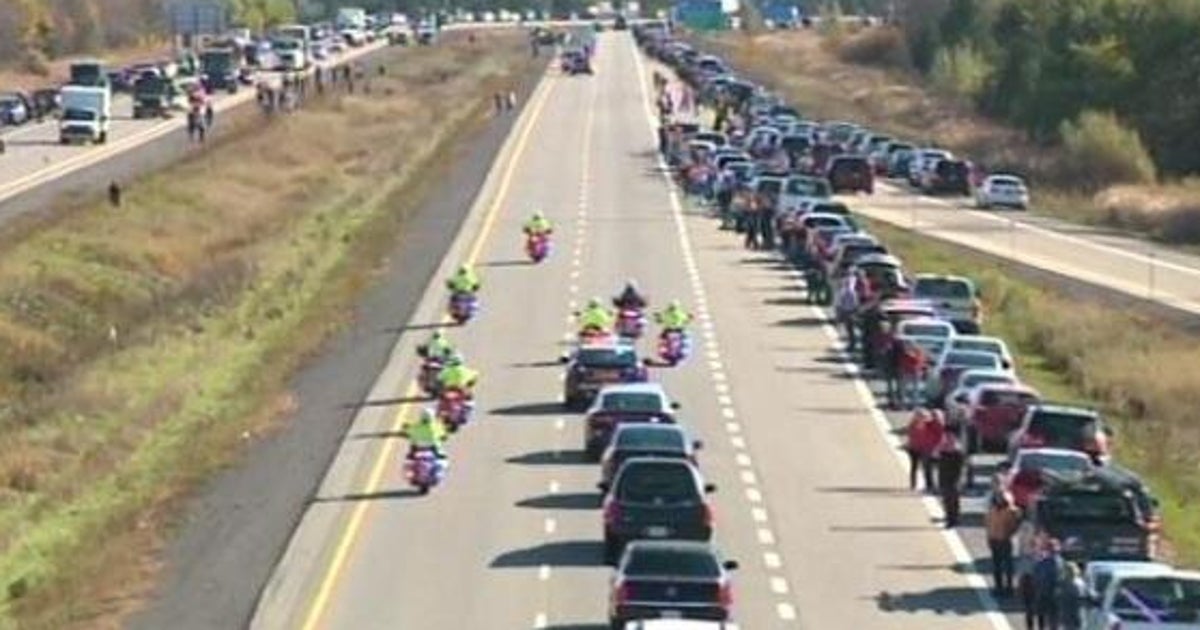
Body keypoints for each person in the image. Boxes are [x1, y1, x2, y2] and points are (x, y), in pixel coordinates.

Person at [985, 490, 1022, 597]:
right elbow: (988, 524)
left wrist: (1009, 533)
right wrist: (989, 537)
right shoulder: (992, 510)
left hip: (1004, 540)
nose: (999, 500)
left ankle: (1009, 587)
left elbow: (1016, 523)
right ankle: (998, 587)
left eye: (1002, 498)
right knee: (996, 566)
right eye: (998, 497)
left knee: (1007, 565)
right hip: (994, 539)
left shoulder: (1011, 511)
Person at [935, 421, 966, 527]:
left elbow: (962, 467)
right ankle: (950, 518)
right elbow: (935, 456)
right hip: (944, 477)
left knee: (952, 499)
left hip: (954, 478)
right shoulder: (942, 448)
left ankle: (953, 519)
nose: (947, 437)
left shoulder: (957, 450)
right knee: (947, 499)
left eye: (949, 434)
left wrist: (960, 479)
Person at [904, 408, 942, 491]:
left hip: (925, 449)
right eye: (920, 416)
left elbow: (938, 430)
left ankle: (929, 485)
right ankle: (913, 484)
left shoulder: (930, 425)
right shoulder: (912, 425)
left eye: (924, 416)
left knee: (927, 467)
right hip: (914, 448)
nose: (922, 418)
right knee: (914, 467)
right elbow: (911, 437)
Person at [1032, 538, 1065, 630]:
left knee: (1047, 615)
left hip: (1049, 593)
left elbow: (1037, 577)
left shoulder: (1043, 562)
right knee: (1052, 616)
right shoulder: (1059, 562)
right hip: (1052, 593)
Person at [1057, 562, 1085, 630]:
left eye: (1068, 571)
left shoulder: (1078, 584)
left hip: (1072, 616)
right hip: (1069, 616)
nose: (1067, 573)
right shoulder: (1062, 584)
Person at [834, 275, 859, 351]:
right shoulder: (852, 292)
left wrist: (839, 313)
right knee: (850, 329)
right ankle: (852, 344)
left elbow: (840, 303)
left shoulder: (845, 292)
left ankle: (852, 345)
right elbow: (855, 304)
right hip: (850, 312)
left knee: (850, 329)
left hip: (848, 312)